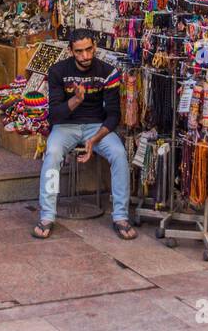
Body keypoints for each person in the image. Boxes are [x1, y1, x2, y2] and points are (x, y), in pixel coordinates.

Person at [32, 30, 136, 241]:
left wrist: (94, 140)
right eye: (79, 52)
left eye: (89, 50)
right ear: (71, 51)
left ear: (95, 47)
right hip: (66, 126)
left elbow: (114, 114)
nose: (85, 56)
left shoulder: (108, 72)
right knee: (52, 154)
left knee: (118, 154)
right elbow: (55, 114)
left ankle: (121, 216)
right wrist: (76, 100)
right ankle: (47, 216)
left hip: (97, 127)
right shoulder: (58, 71)